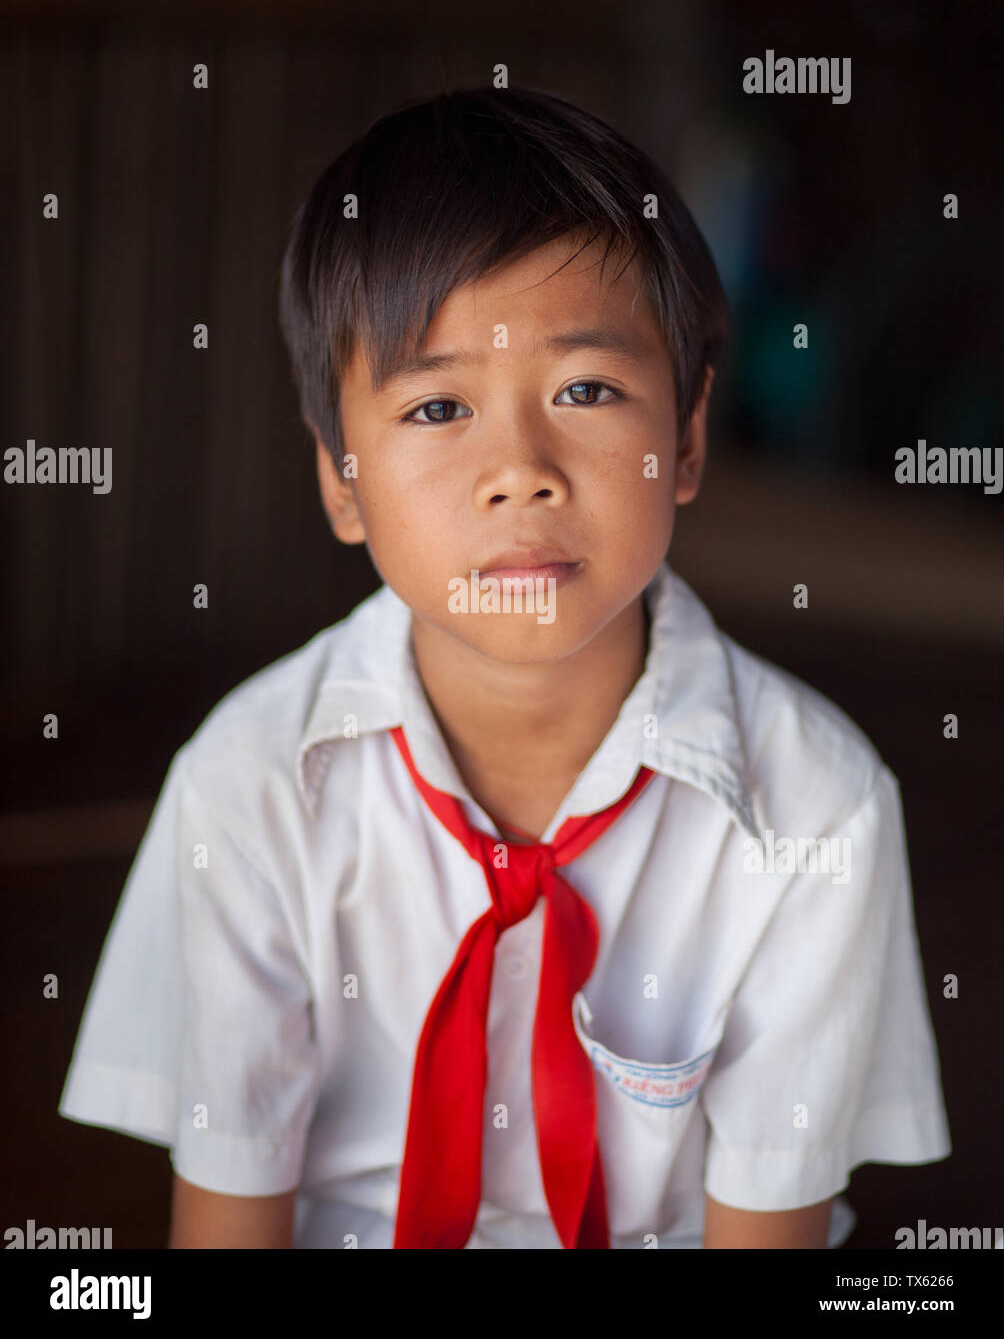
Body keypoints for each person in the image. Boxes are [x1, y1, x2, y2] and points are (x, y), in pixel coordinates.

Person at [58, 86, 951, 1249]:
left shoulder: (818, 808)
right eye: (436, 406)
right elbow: (229, 1225)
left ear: (683, 439)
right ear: (340, 478)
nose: (518, 470)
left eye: (585, 390)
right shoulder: (249, 785)